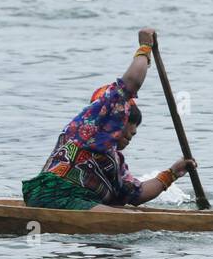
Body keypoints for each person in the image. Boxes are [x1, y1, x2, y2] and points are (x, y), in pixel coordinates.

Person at [22, 28, 197, 211]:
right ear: (116, 117)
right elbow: (130, 83)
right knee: (128, 220)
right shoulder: (92, 124)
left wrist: (172, 173)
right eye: (130, 123)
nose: (134, 132)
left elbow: (135, 194)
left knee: (126, 213)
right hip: (54, 194)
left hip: (79, 200)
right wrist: (145, 48)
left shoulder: (114, 163)